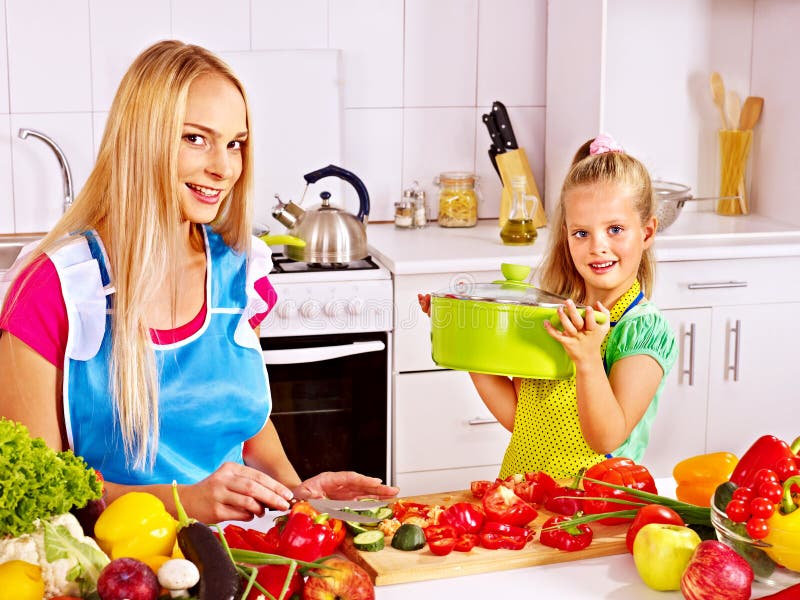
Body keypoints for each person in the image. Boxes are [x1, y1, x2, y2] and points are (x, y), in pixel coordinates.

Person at [0, 40, 397, 524]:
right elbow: (41, 495)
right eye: (195, 138)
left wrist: (297, 495)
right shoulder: (56, 287)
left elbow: (244, 423)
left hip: (242, 560)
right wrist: (182, 502)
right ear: (140, 138)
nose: (224, 167)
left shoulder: (239, 269)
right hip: (118, 574)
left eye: (235, 143)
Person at [419, 134, 677, 479]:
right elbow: (519, 417)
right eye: (581, 233)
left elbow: (607, 437)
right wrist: (463, 336)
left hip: (590, 512)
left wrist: (587, 358)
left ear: (646, 233)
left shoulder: (642, 330)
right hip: (523, 493)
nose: (597, 247)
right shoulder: (552, 312)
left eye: (615, 229)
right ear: (566, 235)